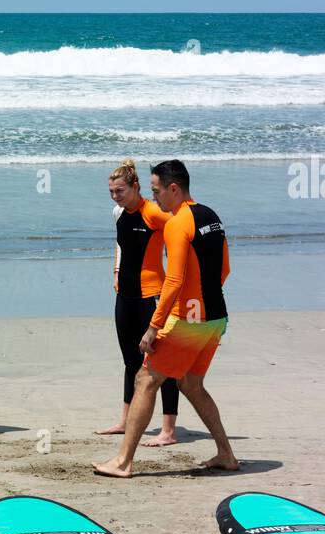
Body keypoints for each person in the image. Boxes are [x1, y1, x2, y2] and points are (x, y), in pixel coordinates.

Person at [94, 159, 239, 478]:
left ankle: (123, 462)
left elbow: (172, 282)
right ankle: (226, 454)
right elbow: (225, 268)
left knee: (145, 379)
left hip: (188, 320)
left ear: (174, 188)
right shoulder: (210, 216)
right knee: (191, 383)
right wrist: (204, 303)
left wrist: (154, 327)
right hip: (216, 317)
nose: (155, 196)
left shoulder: (176, 224)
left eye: (157, 190)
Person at [96, 159, 180, 445]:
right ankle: (125, 421)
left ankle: (168, 430)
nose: (115, 196)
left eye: (120, 190)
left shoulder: (155, 213)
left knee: (162, 363)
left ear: (135, 187)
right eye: (111, 191)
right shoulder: (118, 212)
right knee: (130, 361)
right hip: (125, 297)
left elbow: (182, 231)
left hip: (151, 296)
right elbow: (120, 243)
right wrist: (116, 270)